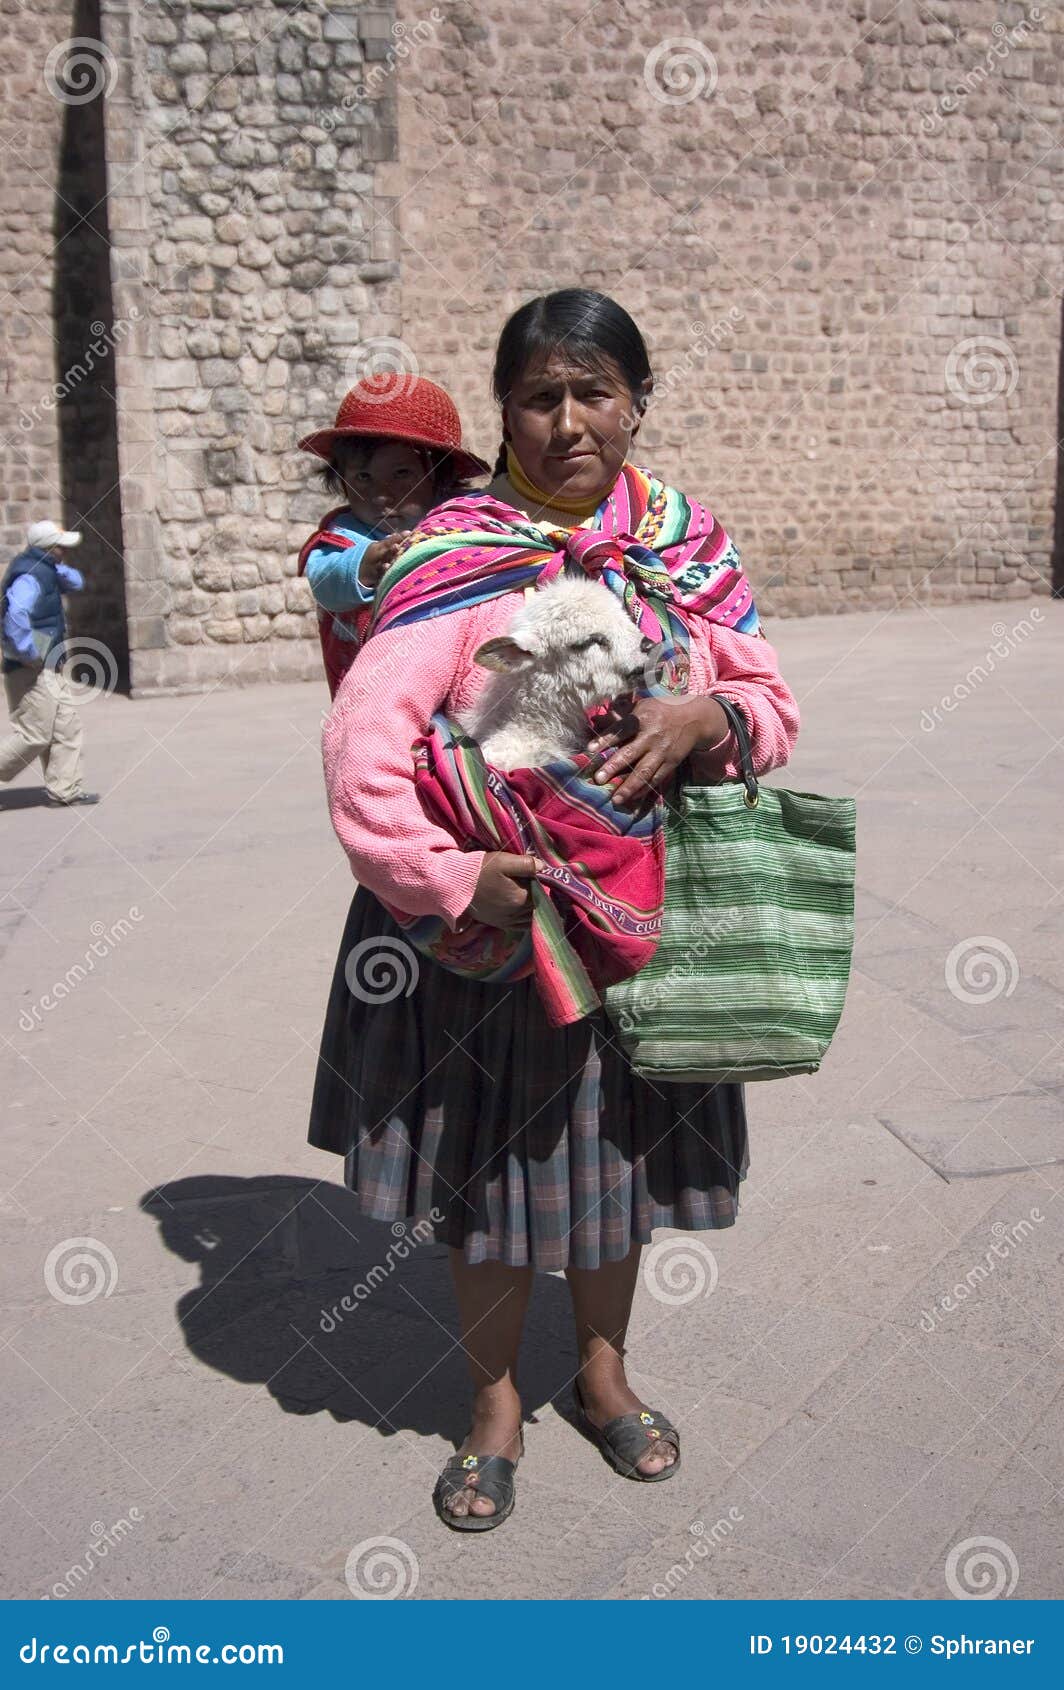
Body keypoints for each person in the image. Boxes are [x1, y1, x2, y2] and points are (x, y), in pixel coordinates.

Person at [309, 290, 800, 1532]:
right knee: (485, 1177)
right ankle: (492, 1404)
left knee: (614, 1167)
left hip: (640, 926)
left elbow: (771, 704)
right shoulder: (455, 551)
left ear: (638, 402)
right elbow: (363, 742)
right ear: (504, 411)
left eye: (595, 393)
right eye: (539, 397)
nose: (569, 421)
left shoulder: (685, 546)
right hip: (489, 933)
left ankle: (599, 1372)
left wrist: (708, 715)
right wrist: (448, 878)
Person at [297, 376, 489, 696]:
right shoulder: (342, 538)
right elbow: (326, 583)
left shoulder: (468, 519)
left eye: (401, 474)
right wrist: (365, 566)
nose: (381, 495)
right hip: (378, 692)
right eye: (363, 477)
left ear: (440, 477)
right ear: (342, 481)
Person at [0, 520, 98, 807]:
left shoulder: (47, 569)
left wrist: (57, 567)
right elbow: (16, 614)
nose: (65, 550)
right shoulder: (30, 575)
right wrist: (29, 653)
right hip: (30, 667)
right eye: (60, 546)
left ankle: (65, 790)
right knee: (35, 735)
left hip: (50, 663)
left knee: (66, 726)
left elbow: (76, 582)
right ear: (47, 548)